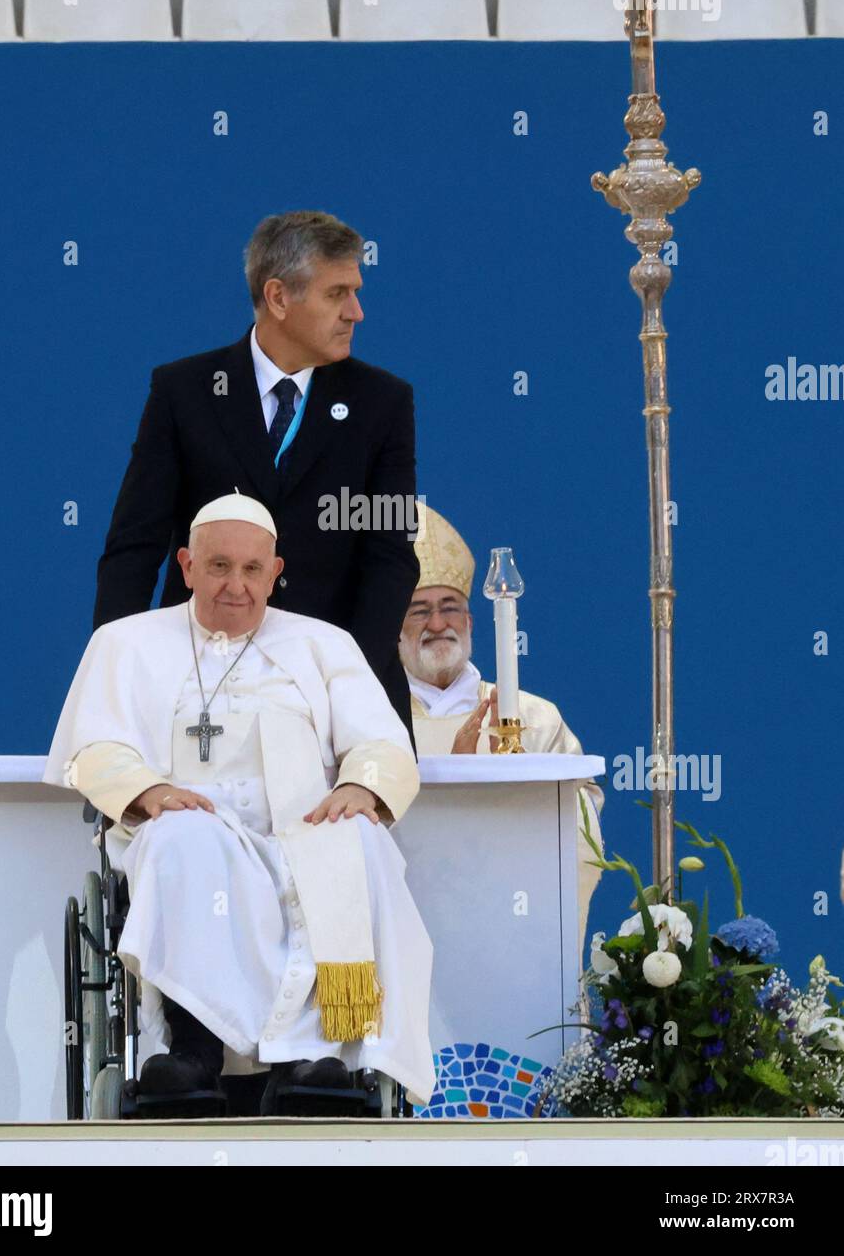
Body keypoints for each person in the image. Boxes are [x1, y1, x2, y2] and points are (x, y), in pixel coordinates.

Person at [45, 492, 436, 1113]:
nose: (236, 586)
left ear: (275, 572)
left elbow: (384, 743)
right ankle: (193, 1051)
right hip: (191, 822)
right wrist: (149, 792)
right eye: (219, 566)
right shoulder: (126, 643)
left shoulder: (322, 644)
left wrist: (360, 784)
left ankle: (315, 1056)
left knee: (354, 839)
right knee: (183, 836)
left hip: (302, 828)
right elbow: (93, 749)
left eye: (253, 569)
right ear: (186, 566)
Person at [92, 210, 418, 738]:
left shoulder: (383, 403)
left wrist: (342, 681)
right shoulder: (184, 393)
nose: (356, 312)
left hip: (338, 698)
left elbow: (391, 556)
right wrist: (112, 687)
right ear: (279, 297)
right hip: (191, 690)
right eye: (337, 294)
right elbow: (135, 547)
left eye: (355, 291)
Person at [398, 503, 605, 963]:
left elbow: (581, 821)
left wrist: (503, 793)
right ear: (397, 629)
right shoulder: (375, 718)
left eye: (450, 608)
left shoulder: (535, 716)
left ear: (471, 622)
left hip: (515, 944)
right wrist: (453, 782)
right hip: (411, 940)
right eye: (420, 611)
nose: (437, 624)